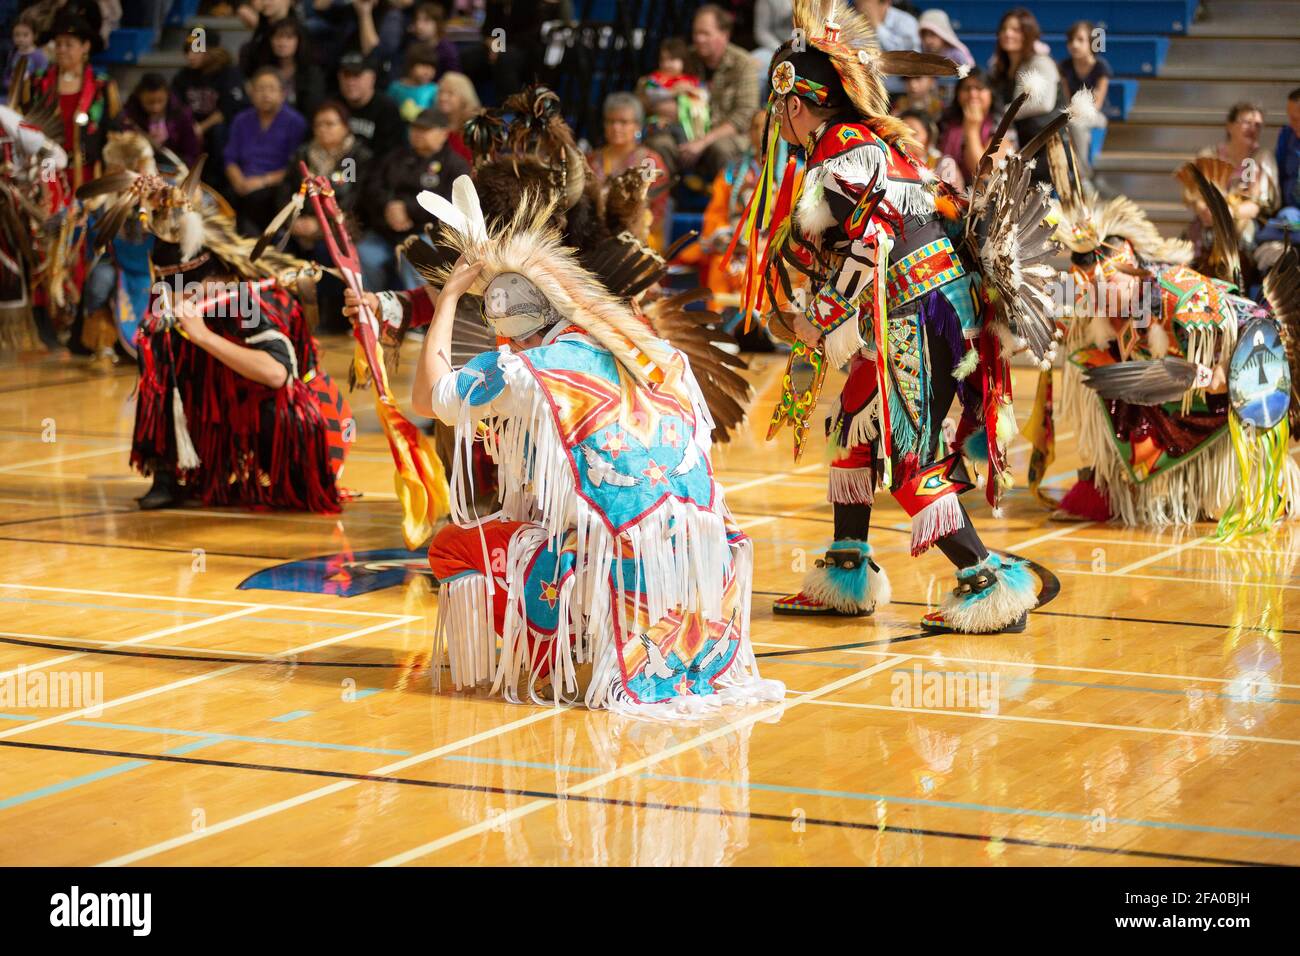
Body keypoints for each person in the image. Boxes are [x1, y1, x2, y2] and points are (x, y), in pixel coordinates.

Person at [374, 175, 782, 715]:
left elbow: (429, 397)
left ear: (509, 323)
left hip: (616, 557)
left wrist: (449, 295)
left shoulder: (528, 369)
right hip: (706, 562)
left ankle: (543, 664)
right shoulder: (652, 352)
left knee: (452, 545)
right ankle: (595, 647)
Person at [750, 1, 1042, 634]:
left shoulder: (842, 156)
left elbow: (874, 237)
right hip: (925, 307)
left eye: (779, 113)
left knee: (911, 458)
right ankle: (846, 571)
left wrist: (816, 322)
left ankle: (987, 582)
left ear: (795, 105)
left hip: (914, 315)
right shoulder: (863, 146)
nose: (780, 125)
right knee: (854, 432)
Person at [78, 162, 347, 512]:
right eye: (169, 288)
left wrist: (204, 337)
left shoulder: (253, 301)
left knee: (275, 411)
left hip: (296, 423)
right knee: (163, 368)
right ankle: (172, 474)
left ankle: (286, 475)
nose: (177, 298)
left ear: (218, 274)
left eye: (188, 288)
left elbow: (277, 375)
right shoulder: (175, 309)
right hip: (226, 399)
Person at [277, 99, 373, 329]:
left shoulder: (354, 157)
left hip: (340, 227)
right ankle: (286, 316)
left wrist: (321, 226)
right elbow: (285, 192)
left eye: (330, 124)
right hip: (302, 226)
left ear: (345, 127)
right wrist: (295, 220)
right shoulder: (304, 154)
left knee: (325, 250)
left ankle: (333, 319)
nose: (323, 129)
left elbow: (351, 198)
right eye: (319, 124)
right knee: (277, 247)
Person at [644, 4, 757, 188]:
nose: (698, 39)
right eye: (696, 33)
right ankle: (663, 202)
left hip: (724, 136)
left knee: (721, 148)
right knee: (659, 143)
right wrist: (669, 97)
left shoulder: (743, 64)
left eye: (705, 34)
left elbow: (744, 117)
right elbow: (647, 90)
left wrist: (703, 142)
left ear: (724, 34)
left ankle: (729, 205)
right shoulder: (684, 58)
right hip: (683, 133)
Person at [358, 106, 469, 291]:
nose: (418, 133)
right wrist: (389, 207)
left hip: (428, 232)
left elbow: (452, 203)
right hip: (387, 232)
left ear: (443, 133)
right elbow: (371, 188)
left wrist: (408, 209)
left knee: (416, 256)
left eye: (425, 129)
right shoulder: (395, 157)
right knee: (364, 253)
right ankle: (372, 310)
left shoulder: (455, 165)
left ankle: (422, 317)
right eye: (415, 128)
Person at [1185, 102, 1280, 275]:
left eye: (1257, 125)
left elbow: (1257, 205)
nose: (1253, 128)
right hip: (1208, 221)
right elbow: (1193, 195)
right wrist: (1202, 209)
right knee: (1198, 238)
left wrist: (1229, 213)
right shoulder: (1210, 156)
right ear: (1229, 126)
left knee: (1244, 237)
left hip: (1242, 223)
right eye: (1246, 122)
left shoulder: (1259, 158)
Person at [224, 67, 308, 234]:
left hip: (275, 185)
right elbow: (230, 158)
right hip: (242, 183)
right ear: (251, 92)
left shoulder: (295, 122)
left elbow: (295, 168)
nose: (265, 94)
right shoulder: (241, 120)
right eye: (260, 89)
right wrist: (238, 180)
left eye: (271, 89)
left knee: (255, 202)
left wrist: (261, 181)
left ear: (283, 93)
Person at [589, 93, 669, 249]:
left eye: (623, 122)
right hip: (596, 236)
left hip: (640, 238)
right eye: (611, 121)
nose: (616, 127)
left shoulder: (650, 161)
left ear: (638, 126)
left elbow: (658, 210)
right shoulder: (591, 160)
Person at [171, 25, 246, 191]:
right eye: (188, 50)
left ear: (212, 51)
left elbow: (228, 109)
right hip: (192, 128)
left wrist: (201, 127)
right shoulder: (183, 76)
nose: (191, 56)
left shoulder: (228, 72)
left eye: (197, 51)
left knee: (219, 131)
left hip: (219, 131)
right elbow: (176, 107)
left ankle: (220, 185)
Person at [989, 7, 1060, 181]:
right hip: (1011, 144)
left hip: (1041, 147)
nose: (1008, 34)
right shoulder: (997, 68)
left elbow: (1044, 103)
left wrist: (1007, 112)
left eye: (1016, 30)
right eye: (1004, 29)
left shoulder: (1042, 62)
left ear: (1028, 34)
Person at [937, 68, 1014, 185]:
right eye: (966, 89)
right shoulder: (946, 123)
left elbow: (983, 173)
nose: (972, 94)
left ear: (991, 93)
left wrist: (972, 129)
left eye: (979, 88)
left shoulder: (1002, 125)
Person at [1058, 20, 1111, 179]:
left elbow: (1097, 104)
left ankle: (1083, 176)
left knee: (1078, 124)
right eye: (1071, 40)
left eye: (1080, 40)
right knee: (1074, 127)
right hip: (1074, 114)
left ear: (1091, 43)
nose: (1074, 44)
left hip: (1097, 116)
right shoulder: (1064, 66)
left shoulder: (1101, 67)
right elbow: (1067, 100)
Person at [249, 16, 327, 119]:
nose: (282, 43)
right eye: (277, 37)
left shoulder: (312, 73)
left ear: (299, 41)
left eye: (289, 38)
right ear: (271, 41)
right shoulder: (263, 71)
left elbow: (313, 108)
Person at [120, 73, 201, 168]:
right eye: (150, 103)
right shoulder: (130, 115)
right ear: (139, 97)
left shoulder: (181, 114)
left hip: (176, 166)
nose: (156, 108)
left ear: (167, 95)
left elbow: (191, 153)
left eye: (160, 101)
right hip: (140, 165)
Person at [336, 52, 406, 158]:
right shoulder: (332, 106)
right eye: (346, 75)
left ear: (372, 78)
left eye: (356, 75)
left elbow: (392, 153)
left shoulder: (387, 110)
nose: (351, 82)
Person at [855, 0, 920, 95]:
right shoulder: (855, 21)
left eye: (864, 3)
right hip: (866, 93)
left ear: (886, 3)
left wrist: (876, 26)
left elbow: (909, 58)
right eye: (857, 4)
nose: (860, 8)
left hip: (900, 94)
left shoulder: (906, 21)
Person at [898, 108, 962, 189]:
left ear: (929, 136)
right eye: (901, 132)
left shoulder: (944, 164)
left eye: (914, 133)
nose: (906, 138)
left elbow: (951, 199)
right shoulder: (891, 162)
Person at [386, 41, 439, 122]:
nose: (428, 72)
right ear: (411, 65)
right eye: (423, 66)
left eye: (432, 67)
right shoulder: (396, 87)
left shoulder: (434, 90)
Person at [405, 2, 460, 79]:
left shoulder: (447, 50)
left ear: (438, 24)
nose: (419, 26)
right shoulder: (414, 43)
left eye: (426, 21)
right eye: (417, 20)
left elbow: (454, 77)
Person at [3, 12, 48, 104]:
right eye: (17, 35)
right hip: (11, 94)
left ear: (34, 35)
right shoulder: (13, 53)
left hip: (30, 98)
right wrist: (9, 83)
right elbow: (7, 74)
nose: (21, 39)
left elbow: (42, 77)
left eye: (25, 35)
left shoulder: (39, 56)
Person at [433, 70, 478, 162]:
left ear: (464, 97)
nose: (442, 98)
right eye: (440, 92)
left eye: (450, 93)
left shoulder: (475, 129)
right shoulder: (433, 123)